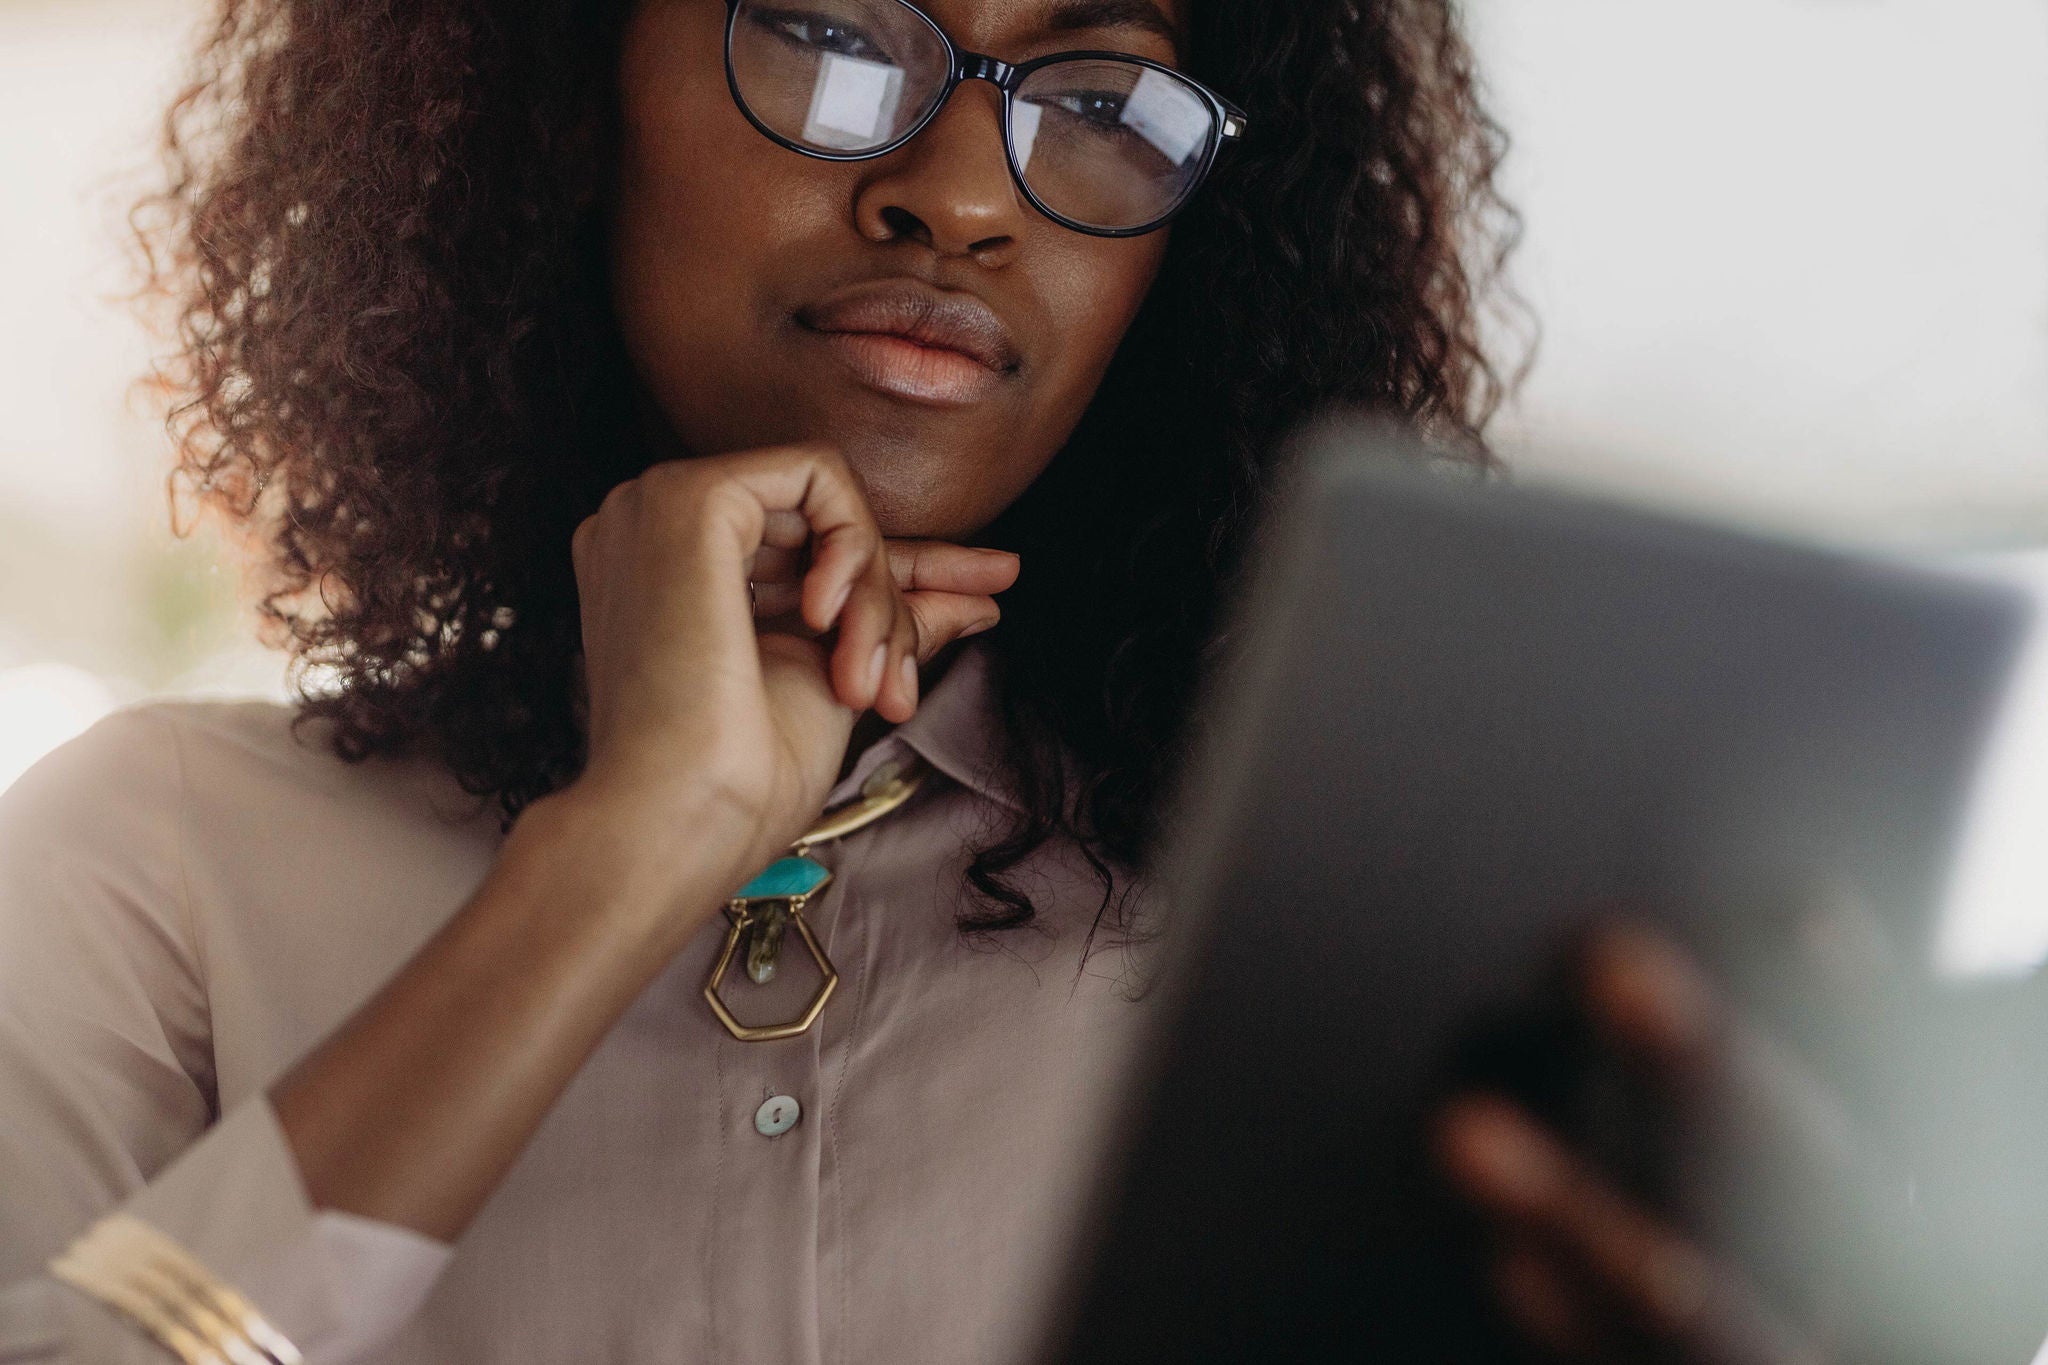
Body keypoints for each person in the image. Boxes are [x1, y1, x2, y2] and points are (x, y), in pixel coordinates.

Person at [0, 0, 1522, 1361]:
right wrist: (629, 848)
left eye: (1108, 103)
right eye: (838, 38)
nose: (964, 193)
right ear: (566, 80)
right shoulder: (160, 859)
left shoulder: (1334, 943)